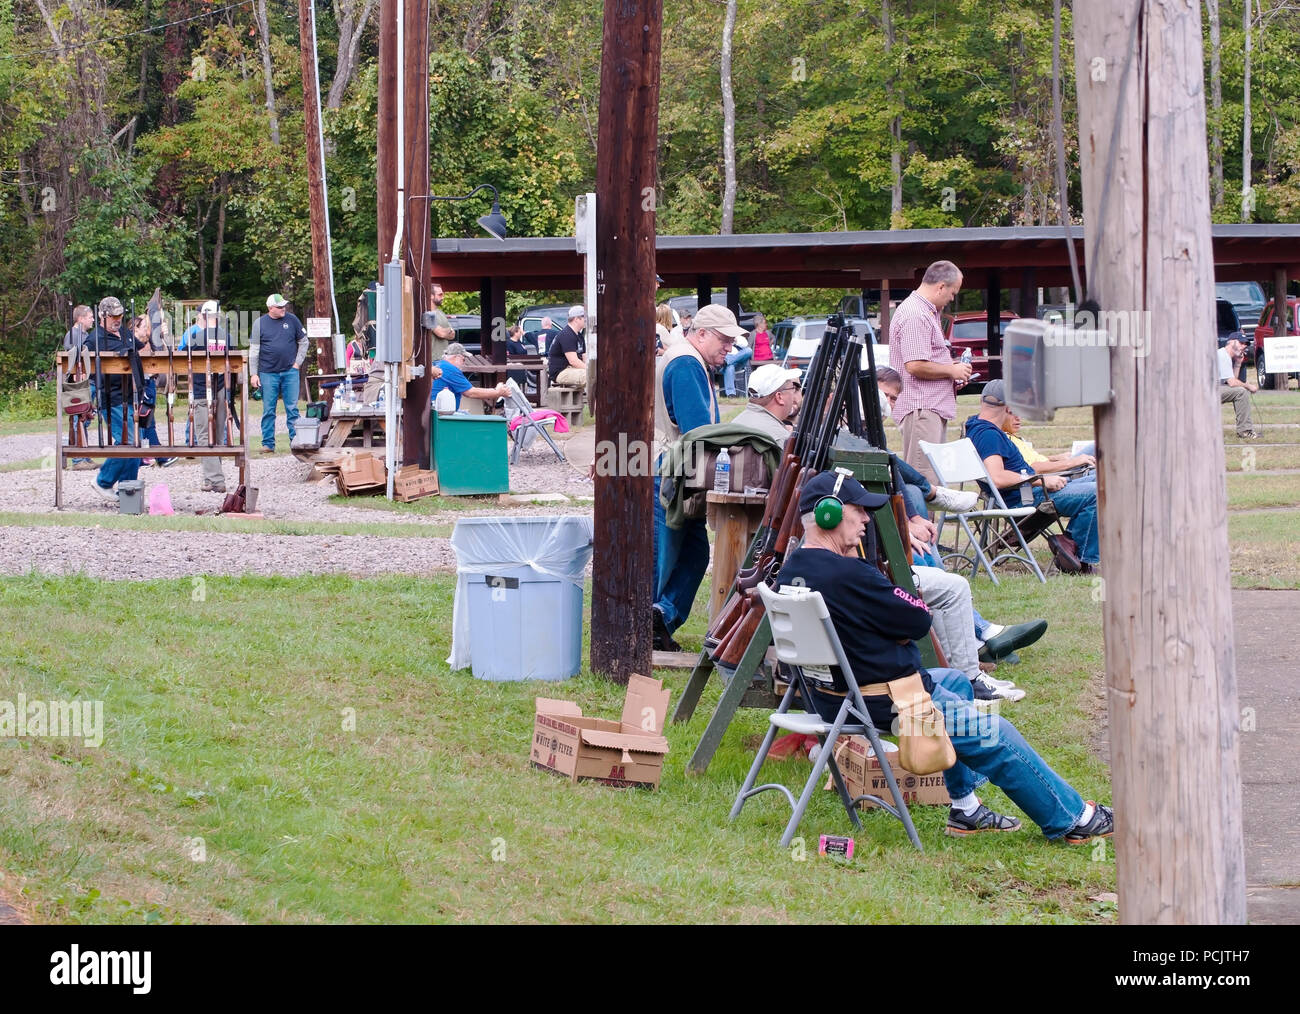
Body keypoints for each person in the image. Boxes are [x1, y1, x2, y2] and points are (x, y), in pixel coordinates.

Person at [776, 470, 1115, 843]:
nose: (867, 520)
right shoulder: (850, 573)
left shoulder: (792, 570)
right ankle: (1073, 819)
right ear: (830, 514)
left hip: (833, 699)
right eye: (859, 511)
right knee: (995, 733)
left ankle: (965, 808)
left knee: (954, 680)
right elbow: (919, 620)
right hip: (885, 700)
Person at [651, 304, 741, 649]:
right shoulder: (687, 363)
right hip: (673, 471)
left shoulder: (685, 356)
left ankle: (660, 618)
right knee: (668, 556)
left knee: (689, 553)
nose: (729, 348)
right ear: (701, 333)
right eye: (724, 339)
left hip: (673, 468)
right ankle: (653, 622)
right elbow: (699, 432)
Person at [965, 380, 1101, 574]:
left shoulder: (980, 427)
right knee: (1099, 492)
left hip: (1030, 491)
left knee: (1103, 483)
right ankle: (1080, 557)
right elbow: (997, 478)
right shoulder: (988, 435)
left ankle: (1068, 543)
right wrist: (1041, 480)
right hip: (1027, 498)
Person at [888, 260, 970, 485]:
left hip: (928, 408)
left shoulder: (924, 312)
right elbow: (914, 365)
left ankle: (926, 521)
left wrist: (950, 375)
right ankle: (920, 521)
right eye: (953, 292)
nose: (952, 298)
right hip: (921, 409)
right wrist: (951, 371)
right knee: (923, 482)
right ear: (941, 287)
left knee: (931, 479)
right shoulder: (916, 315)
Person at [874, 366, 980, 518]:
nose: (887, 402)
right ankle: (931, 492)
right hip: (924, 404)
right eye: (884, 395)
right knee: (891, 460)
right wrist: (951, 370)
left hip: (934, 404)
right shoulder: (856, 423)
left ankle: (929, 497)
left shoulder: (875, 429)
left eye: (893, 398)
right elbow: (914, 363)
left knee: (913, 491)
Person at [88, 297, 142, 501]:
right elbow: (87, 369)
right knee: (126, 442)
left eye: (120, 315)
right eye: (113, 316)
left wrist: (151, 333)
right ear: (102, 316)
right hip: (112, 397)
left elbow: (142, 349)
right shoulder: (94, 339)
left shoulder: (126, 333)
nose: (118, 319)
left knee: (134, 443)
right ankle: (103, 481)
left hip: (130, 396)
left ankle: (127, 491)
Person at [179, 299, 231, 492]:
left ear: (203, 316)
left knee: (203, 436)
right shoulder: (228, 337)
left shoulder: (195, 337)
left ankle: (216, 479)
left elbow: (181, 359)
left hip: (202, 390)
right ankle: (211, 479)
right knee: (217, 435)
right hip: (221, 389)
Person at [249, 293, 307, 456]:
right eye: (280, 307)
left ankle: (295, 441)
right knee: (268, 410)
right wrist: (254, 374)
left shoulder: (292, 319)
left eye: (284, 306)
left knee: (292, 409)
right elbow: (254, 350)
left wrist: (297, 363)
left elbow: (304, 341)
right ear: (270, 308)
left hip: (290, 371)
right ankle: (268, 443)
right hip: (267, 373)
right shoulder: (259, 323)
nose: (283, 309)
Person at [130, 315, 173, 467]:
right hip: (140, 384)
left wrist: (161, 336)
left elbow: (162, 352)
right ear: (136, 328)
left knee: (147, 420)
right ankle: (155, 455)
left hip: (149, 382)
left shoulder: (147, 343)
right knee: (144, 420)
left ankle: (149, 455)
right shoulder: (134, 344)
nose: (147, 331)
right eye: (145, 328)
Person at [1001, 407, 1096, 476]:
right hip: (1054, 475)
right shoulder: (1005, 440)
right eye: (1011, 413)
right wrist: (1073, 462)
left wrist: (1055, 458)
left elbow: (1032, 459)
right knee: (1099, 472)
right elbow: (1032, 468)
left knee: (1098, 446)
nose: (1018, 417)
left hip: (1056, 467)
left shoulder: (1013, 437)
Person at [734, 364, 803, 441]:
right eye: (792, 388)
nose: (793, 394)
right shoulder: (781, 437)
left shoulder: (736, 423)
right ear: (779, 397)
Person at [431, 342, 507, 411]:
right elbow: (471, 392)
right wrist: (497, 392)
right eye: (463, 359)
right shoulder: (450, 369)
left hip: (438, 408)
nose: (464, 363)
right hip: (441, 412)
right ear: (457, 357)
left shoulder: (441, 364)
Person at [1219, 337, 1259, 438]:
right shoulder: (1222, 355)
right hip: (1203, 391)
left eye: (1245, 344)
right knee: (1241, 392)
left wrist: (1238, 363)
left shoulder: (1225, 355)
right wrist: (1248, 386)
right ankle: (1245, 431)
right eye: (1241, 343)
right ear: (1231, 342)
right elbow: (1232, 383)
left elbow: (1232, 382)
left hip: (1208, 389)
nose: (1244, 346)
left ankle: (1244, 430)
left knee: (1239, 391)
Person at [546, 306, 588, 388]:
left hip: (573, 369)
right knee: (590, 376)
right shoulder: (566, 335)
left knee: (596, 375)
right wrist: (591, 370)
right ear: (576, 319)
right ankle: (596, 401)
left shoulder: (580, 336)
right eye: (584, 317)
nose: (587, 320)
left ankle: (596, 400)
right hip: (561, 372)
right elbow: (573, 361)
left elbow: (584, 358)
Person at [720, 331, 753, 397]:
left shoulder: (736, 337)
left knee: (748, 350)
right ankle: (731, 393)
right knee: (730, 367)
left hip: (738, 361)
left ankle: (728, 362)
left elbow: (745, 344)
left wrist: (735, 340)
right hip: (724, 362)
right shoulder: (721, 337)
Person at [428, 283, 455, 359]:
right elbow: (441, 334)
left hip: (444, 358)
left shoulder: (441, 313)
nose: (443, 297)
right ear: (431, 296)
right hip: (433, 360)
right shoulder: (428, 314)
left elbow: (453, 335)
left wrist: (446, 331)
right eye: (440, 295)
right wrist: (449, 330)